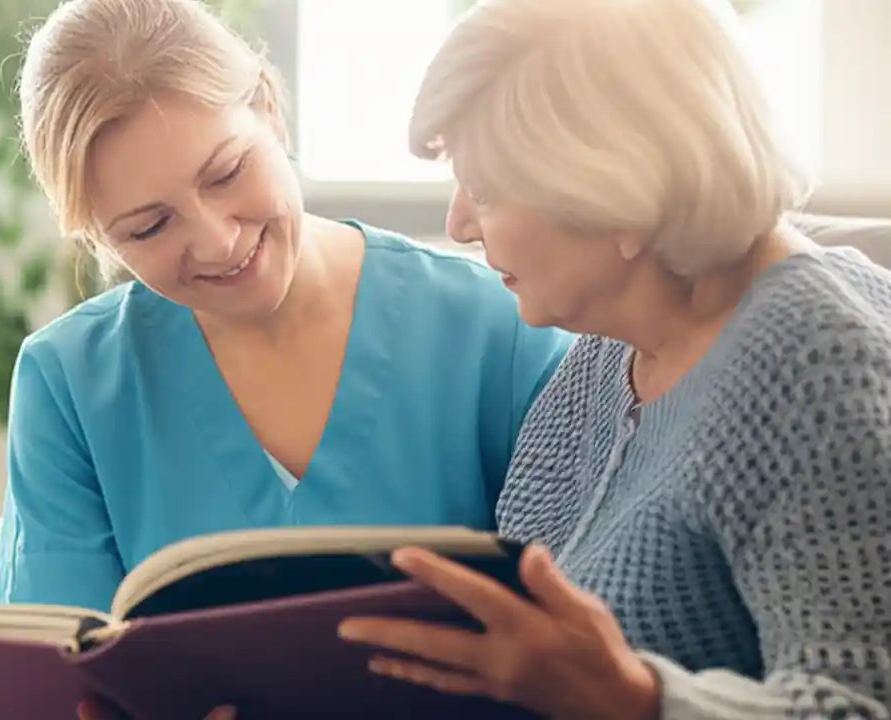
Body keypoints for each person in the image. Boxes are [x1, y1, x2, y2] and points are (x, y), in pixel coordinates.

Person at [333, 0, 891, 718]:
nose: (458, 225)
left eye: (487, 190)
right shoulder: (608, 348)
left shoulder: (815, 362)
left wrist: (634, 701)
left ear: (618, 192)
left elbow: (862, 701)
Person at [0, 0, 571, 634]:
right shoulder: (68, 385)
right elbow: (59, 672)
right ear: (101, 240)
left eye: (228, 172)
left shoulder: (500, 331)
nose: (215, 242)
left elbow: (583, 640)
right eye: (150, 227)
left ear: (270, 110)